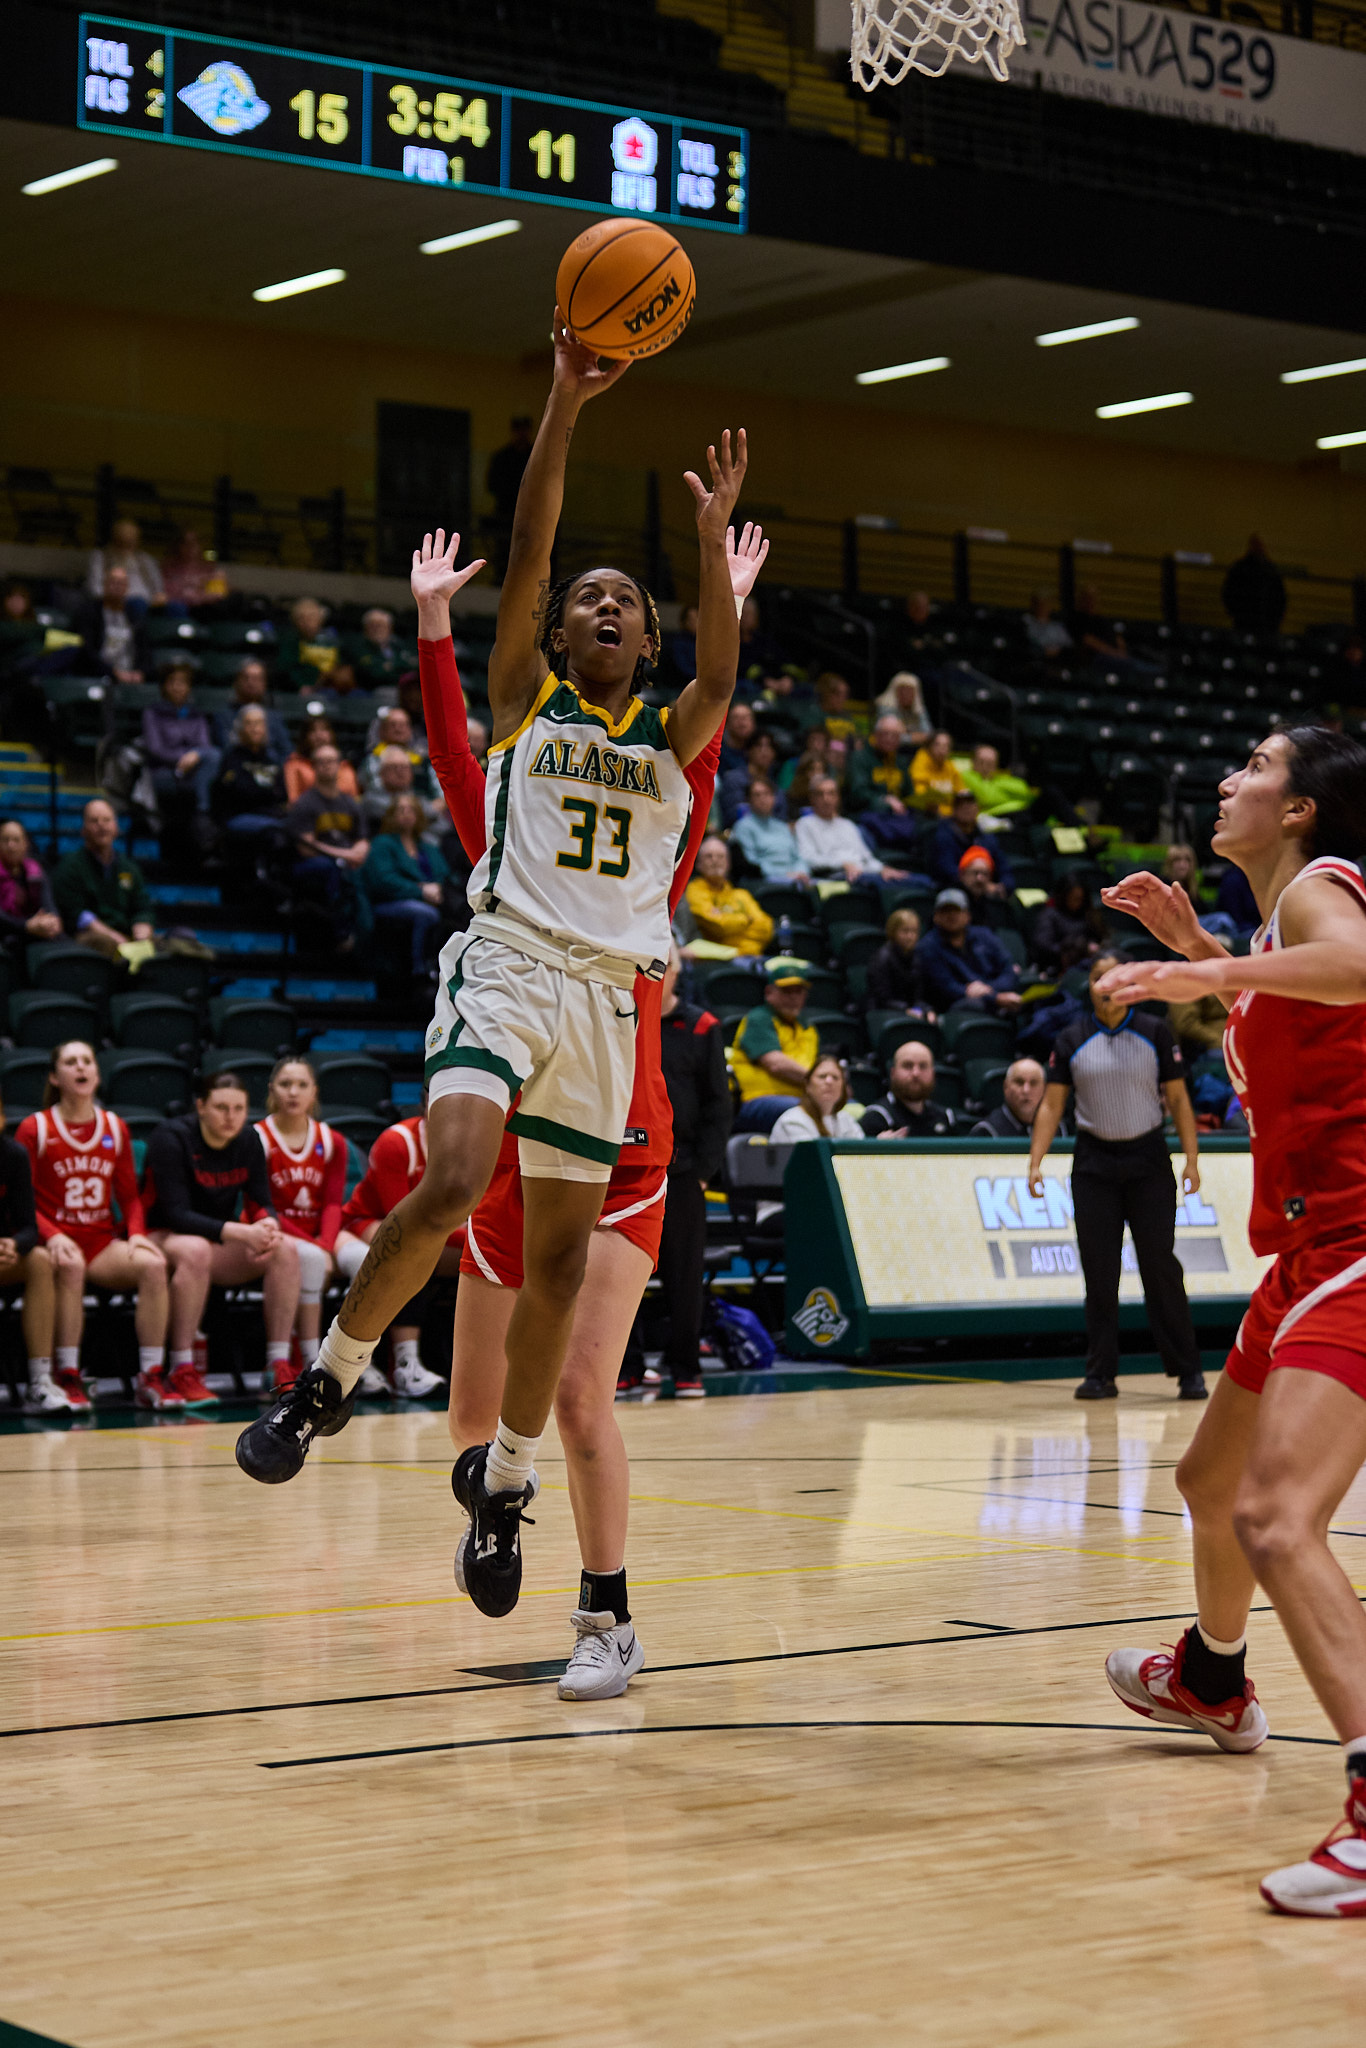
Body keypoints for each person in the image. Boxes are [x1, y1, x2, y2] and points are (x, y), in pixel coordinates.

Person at [238, 312, 747, 1639]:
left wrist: (710, 544)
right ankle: (329, 1380)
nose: (602, 604)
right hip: (511, 961)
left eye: (625, 601)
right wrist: (567, 403)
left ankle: (507, 1483)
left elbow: (722, 667)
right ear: (556, 628)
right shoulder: (525, 701)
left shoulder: (674, 739)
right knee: (456, 1173)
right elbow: (527, 550)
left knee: (560, 1277)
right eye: (587, 595)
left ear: (647, 644)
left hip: (605, 998)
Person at [1090, 729, 1366, 1913]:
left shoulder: (1322, 890)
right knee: (1210, 1482)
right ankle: (1210, 1677)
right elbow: (1288, 1021)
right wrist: (1204, 952)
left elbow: (1355, 966)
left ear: (1300, 807)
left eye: (1253, 764)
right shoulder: (1267, 935)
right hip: (1304, 1249)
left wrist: (1194, 979)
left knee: (1275, 1515)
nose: (1225, 778)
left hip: (1357, 1243)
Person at [1027, 948, 1204, 1401]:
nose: (1106, 985)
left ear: (1129, 984)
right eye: (1097, 978)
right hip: (1094, 1165)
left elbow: (1178, 1099)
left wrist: (1191, 1158)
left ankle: (1188, 1371)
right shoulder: (1071, 1038)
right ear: (1090, 988)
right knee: (1100, 1272)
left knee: (1160, 1266)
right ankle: (1100, 1374)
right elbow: (1052, 1104)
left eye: (1115, 976)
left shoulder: (1155, 1031)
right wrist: (1035, 1161)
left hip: (1149, 1161)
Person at [17, 1042, 183, 1411]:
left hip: (99, 1241)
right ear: (54, 1076)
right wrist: (52, 1235)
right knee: (71, 1265)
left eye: (87, 1061)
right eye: (70, 1062)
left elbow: (129, 1197)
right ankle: (68, 1374)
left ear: (96, 1072)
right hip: (54, 1240)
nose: (81, 1067)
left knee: (154, 1265)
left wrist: (136, 1235)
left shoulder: (113, 1126)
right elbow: (19, 1199)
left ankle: (150, 1376)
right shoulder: (35, 1128)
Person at [143, 1070, 301, 1396]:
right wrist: (242, 1232)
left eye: (239, 1109)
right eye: (221, 1108)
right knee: (195, 1250)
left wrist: (268, 1223)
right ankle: (182, 1367)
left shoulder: (248, 1139)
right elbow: (176, 1214)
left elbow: (261, 1200)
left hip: (216, 1240)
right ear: (201, 1106)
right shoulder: (170, 1137)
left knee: (284, 1249)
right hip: (159, 1235)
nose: (231, 1117)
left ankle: (277, 1363)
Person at [332, 1107, 458, 1399]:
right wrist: (473, 1236)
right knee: (410, 1251)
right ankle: (402, 1363)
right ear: (428, 1102)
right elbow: (402, 1220)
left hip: (435, 1231)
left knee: (494, 1260)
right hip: (368, 1221)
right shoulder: (397, 1142)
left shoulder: (477, 1143)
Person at [255, 1059, 347, 1386]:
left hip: (319, 1234)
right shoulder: (259, 1138)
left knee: (364, 1257)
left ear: (314, 1092)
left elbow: (333, 1203)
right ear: (272, 1090)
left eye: (301, 1085)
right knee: (309, 1258)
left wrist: (326, 1243)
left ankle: (361, 1359)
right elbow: (260, 1206)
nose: (293, 1092)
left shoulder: (331, 1140)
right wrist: (318, 1248)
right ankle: (310, 1357)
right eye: (285, 1084)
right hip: (273, 1229)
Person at [0, 1090, 58, 1413]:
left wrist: (15, 1244)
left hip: (3, 1255)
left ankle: (40, 1381)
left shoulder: (13, 1156)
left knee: (39, 1260)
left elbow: (29, 1227)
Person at [286, 743, 370, 944]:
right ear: (313, 767)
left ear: (340, 765)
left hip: (346, 861)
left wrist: (356, 854)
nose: (327, 766)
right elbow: (306, 847)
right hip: (315, 864)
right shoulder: (305, 803)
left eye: (331, 761)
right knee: (333, 869)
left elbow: (362, 839)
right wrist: (345, 855)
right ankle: (340, 932)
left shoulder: (350, 803)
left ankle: (364, 934)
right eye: (321, 762)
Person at [361, 792, 449, 979]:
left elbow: (443, 874)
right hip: (389, 902)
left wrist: (438, 890)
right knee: (425, 913)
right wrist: (421, 891)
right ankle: (420, 970)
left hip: (430, 900)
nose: (406, 814)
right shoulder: (382, 844)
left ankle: (447, 969)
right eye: (401, 810)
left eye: (411, 810)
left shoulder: (427, 847)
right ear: (391, 815)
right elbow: (384, 881)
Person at [51, 799, 155, 957]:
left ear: (116, 827)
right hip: (88, 937)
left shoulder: (129, 868)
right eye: (94, 821)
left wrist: (143, 924)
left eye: (107, 820)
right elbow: (75, 913)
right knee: (106, 944)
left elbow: (143, 906)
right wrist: (112, 936)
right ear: (83, 830)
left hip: (126, 935)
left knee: (176, 940)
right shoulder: (70, 866)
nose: (101, 825)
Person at [730, 962, 820, 1133]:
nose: (793, 997)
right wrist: (818, 1080)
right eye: (787, 991)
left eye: (799, 991)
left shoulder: (808, 1028)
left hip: (798, 1098)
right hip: (755, 1099)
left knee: (847, 1108)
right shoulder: (759, 1019)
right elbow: (776, 1064)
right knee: (806, 1111)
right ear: (769, 992)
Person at [916, 888, 1022, 1015]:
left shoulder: (985, 935)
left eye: (956, 910)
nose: (951, 915)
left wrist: (989, 989)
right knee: (975, 1005)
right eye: (945, 911)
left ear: (967, 915)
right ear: (936, 917)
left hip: (993, 992)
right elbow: (946, 988)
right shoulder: (928, 946)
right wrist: (994, 998)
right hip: (955, 1006)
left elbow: (1008, 969)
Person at [140, 662, 221, 823]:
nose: (177, 687)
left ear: (189, 687)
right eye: (172, 682)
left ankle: (203, 815)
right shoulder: (153, 713)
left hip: (195, 769)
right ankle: (203, 813)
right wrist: (184, 758)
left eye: (182, 682)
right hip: (164, 769)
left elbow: (205, 746)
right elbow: (156, 749)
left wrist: (195, 755)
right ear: (163, 686)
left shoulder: (197, 715)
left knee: (215, 755)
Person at [794, 775, 907, 883]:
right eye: (820, 794)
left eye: (831, 793)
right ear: (812, 798)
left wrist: (882, 869)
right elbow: (808, 858)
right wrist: (842, 864)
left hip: (864, 871)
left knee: (910, 881)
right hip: (835, 875)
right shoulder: (805, 824)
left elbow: (866, 857)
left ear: (837, 797)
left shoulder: (848, 824)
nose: (826, 799)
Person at [211, 704, 289, 854]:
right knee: (275, 832)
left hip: (270, 816)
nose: (254, 728)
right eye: (249, 723)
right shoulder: (232, 758)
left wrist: (265, 794)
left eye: (259, 723)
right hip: (239, 816)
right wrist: (268, 794)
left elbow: (282, 794)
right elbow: (240, 794)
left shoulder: (271, 760)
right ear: (240, 729)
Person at [684, 836, 772, 954]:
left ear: (728, 863)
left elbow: (767, 928)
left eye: (721, 856)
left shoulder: (742, 895)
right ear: (698, 864)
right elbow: (719, 927)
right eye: (709, 856)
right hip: (716, 959)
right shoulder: (694, 891)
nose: (715, 860)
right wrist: (747, 919)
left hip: (751, 956)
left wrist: (729, 922)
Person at [859, 1040, 959, 1137]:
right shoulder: (877, 1117)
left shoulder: (946, 1118)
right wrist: (877, 1147)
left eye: (923, 1066)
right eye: (908, 1066)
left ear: (933, 1073)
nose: (916, 1073)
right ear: (893, 1073)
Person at [928, 790, 1014, 894]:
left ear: (978, 808)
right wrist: (978, 883)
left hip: (985, 891)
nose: (966, 808)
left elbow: (1004, 868)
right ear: (954, 809)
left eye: (970, 804)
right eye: (961, 804)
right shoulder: (943, 836)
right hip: (954, 889)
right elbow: (946, 870)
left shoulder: (986, 837)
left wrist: (1002, 886)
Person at [74, 564, 149, 682]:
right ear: (104, 585)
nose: (117, 587)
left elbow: (145, 650)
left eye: (121, 583)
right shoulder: (90, 612)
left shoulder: (134, 615)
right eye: (113, 582)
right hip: (98, 675)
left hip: (130, 676)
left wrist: (141, 672)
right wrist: (113, 672)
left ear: (127, 588)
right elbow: (87, 650)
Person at [0, 818, 60, 963]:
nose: (11, 845)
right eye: (5, 840)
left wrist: (51, 921)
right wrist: (26, 926)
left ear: (25, 844)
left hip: (36, 931)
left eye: (16, 840)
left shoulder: (36, 871)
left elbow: (49, 905)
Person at [769, 1055, 863, 1143]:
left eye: (835, 1078)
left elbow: (861, 1153)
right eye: (822, 1076)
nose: (829, 1081)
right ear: (807, 1085)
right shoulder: (792, 1120)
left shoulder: (847, 1120)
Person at [731, 776, 807, 884]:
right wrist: (785, 875)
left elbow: (798, 858)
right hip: (762, 881)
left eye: (767, 794)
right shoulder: (743, 827)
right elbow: (751, 863)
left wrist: (801, 872)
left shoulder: (783, 827)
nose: (763, 799)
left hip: (794, 878)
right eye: (757, 795)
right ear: (749, 800)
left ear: (774, 798)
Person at [485, 414, 535, 578]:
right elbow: (492, 485)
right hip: (507, 516)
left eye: (524, 429)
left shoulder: (535, 457)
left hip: (531, 517)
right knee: (504, 556)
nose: (521, 433)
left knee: (530, 558)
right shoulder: (502, 457)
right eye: (518, 429)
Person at [213, 659, 290, 762]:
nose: (251, 682)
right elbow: (226, 750)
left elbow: (286, 751)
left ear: (264, 683)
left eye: (256, 678)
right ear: (236, 682)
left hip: (271, 767)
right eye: (246, 678)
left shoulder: (275, 717)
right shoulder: (223, 716)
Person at [1032, 872, 1107, 977]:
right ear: (1064, 896)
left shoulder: (1087, 913)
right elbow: (1044, 946)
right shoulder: (1049, 915)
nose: (1078, 903)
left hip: (1089, 964)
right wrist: (1080, 949)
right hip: (1057, 967)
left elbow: (1101, 937)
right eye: (1074, 898)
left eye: (1081, 899)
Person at [866, 908, 934, 1016]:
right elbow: (882, 999)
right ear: (893, 932)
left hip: (908, 1011)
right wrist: (906, 1010)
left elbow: (917, 997)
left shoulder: (916, 958)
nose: (910, 936)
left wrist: (927, 1010)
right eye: (905, 931)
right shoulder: (881, 959)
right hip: (883, 1014)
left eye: (914, 931)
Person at [87, 518, 164, 609]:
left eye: (130, 542)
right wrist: (113, 598)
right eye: (122, 542)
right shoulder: (101, 557)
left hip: (148, 603)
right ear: (115, 539)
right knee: (138, 604)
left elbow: (158, 588)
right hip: (114, 603)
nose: (125, 548)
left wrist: (158, 597)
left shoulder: (145, 559)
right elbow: (95, 589)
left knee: (175, 608)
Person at [283, 716, 361, 804]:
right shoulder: (294, 763)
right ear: (305, 736)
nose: (319, 735)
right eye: (312, 730)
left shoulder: (345, 767)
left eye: (324, 729)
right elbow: (293, 801)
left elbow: (354, 800)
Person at [1222, 534, 1287, 638]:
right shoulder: (1269, 569)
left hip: (1253, 621)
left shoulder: (1241, 568)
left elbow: (1280, 597)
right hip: (1257, 621)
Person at [970, 1056, 1048, 1138]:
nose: (1026, 1090)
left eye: (1034, 1083)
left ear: (1044, 1088)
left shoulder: (1054, 1127)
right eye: (1019, 1082)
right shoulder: (986, 1131)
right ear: (1005, 1087)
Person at [961, 742, 1036, 818]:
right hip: (992, 817)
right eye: (981, 762)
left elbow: (1024, 790)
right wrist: (1007, 793)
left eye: (990, 763)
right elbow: (987, 798)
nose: (985, 766)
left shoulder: (1000, 777)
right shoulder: (967, 775)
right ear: (973, 762)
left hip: (1020, 813)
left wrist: (995, 786)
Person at [278, 597, 339, 689]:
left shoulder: (332, 642)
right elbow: (287, 670)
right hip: (299, 689)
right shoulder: (289, 643)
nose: (307, 623)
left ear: (320, 620)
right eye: (301, 618)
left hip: (331, 689)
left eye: (311, 617)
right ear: (294, 621)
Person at [350, 606, 414, 688]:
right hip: (373, 690)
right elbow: (374, 673)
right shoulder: (358, 647)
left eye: (381, 626)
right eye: (373, 626)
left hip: (403, 688)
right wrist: (399, 667)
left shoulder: (398, 645)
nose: (377, 630)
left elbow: (413, 666)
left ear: (390, 628)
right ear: (365, 628)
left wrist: (390, 666)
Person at [911, 730, 968, 816]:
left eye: (946, 746)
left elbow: (960, 790)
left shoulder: (949, 765)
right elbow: (919, 791)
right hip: (928, 813)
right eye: (937, 744)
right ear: (929, 746)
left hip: (951, 815)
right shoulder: (921, 760)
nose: (942, 749)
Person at [160, 529, 220, 611]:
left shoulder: (208, 568)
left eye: (194, 543)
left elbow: (217, 594)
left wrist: (198, 593)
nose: (190, 547)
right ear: (178, 546)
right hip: (181, 609)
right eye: (186, 543)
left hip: (206, 608)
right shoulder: (169, 568)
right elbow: (168, 595)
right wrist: (197, 589)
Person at [1023, 591, 1071, 661]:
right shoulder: (1026, 622)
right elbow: (1028, 643)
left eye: (1046, 604)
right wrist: (1042, 651)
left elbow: (1068, 644)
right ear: (1033, 605)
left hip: (1058, 660)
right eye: (1039, 604)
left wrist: (1058, 651)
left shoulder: (1057, 627)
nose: (1042, 607)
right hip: (1035, 661)